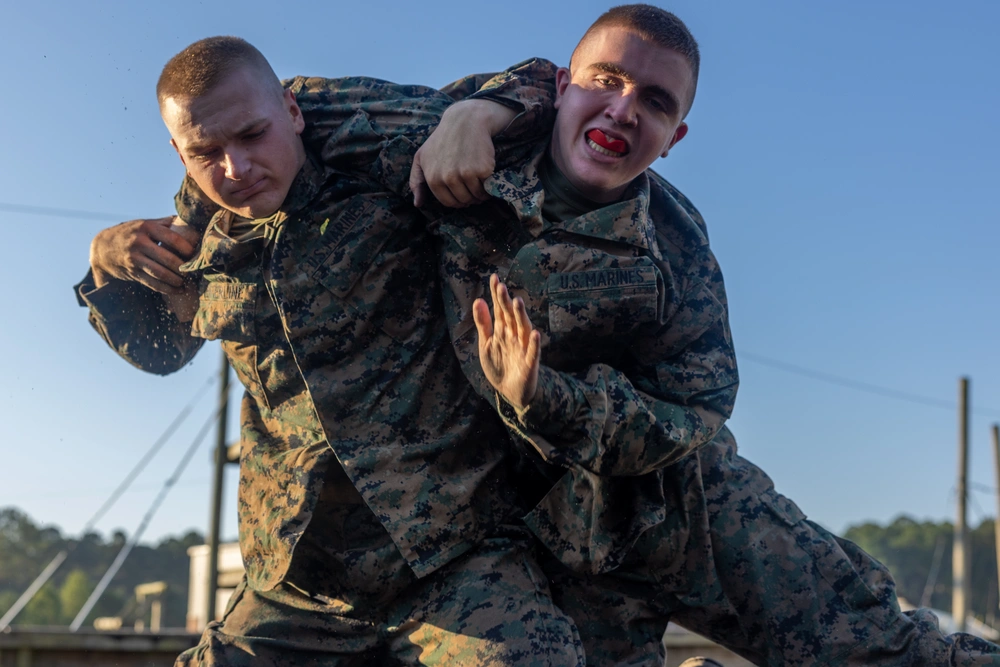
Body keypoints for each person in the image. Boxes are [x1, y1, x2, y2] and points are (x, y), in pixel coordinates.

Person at [431, 5, 1000, 666]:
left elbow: (692, 410)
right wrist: (476, 107)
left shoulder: (676, 246)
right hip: (514, 541)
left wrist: (546, 395)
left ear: (676, 136)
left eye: (656, 102)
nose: (623, 110)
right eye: (606, 82)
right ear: (559, 85)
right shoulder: (456, 137)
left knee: (882, 646)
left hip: (674, 506)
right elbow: (291, 120)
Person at [77, 36, 586, 666]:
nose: (236, 169)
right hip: (301, 579)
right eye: (206, 152)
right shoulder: (201, 235)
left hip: (451, 554)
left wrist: (476, 115)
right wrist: (104, 266)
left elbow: (549, 87)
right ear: (179, 152)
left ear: (291, 111)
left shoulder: (367, 144)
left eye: (254, 135)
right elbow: (162, 353)